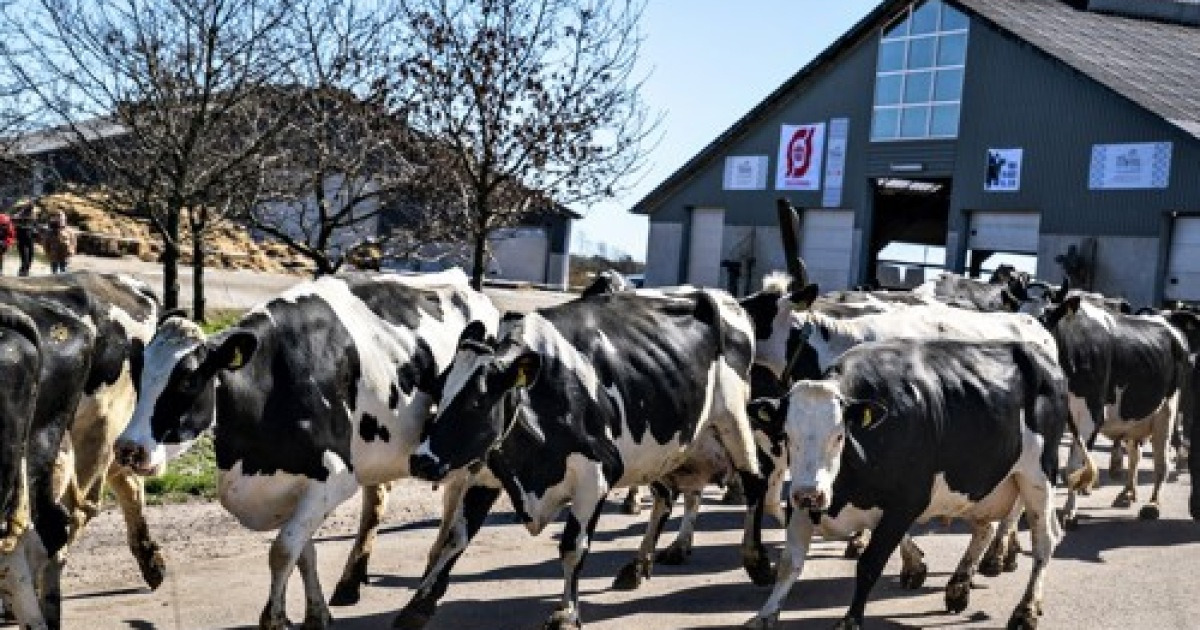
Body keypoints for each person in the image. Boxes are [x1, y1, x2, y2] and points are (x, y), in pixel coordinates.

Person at [42, 210, 75, 274]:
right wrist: (47, 253)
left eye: (62, 218)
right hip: (54, 256)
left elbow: (73, 242)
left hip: (65, 255)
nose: (60, 220)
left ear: (65, 219)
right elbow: (45, 243)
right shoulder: (50, 232)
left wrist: (72, 251)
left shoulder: (69, 231)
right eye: (58, 218)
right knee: (54, 273)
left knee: (64, 272)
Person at [12, 203, 37, 276]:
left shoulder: (32, 214)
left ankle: (25, 271)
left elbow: (34, 224)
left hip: (27, 237)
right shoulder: (20, 214)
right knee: (26, 256)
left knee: (29, 255)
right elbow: (14, 220)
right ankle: (23, 271)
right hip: (23, 236)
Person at [0, 211, 12, 275]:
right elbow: (11, 234)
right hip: (4, 241)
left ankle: (0, 270)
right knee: (1, 255)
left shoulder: (6, 220)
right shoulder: (7, 220)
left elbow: (10, 234)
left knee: (1, 255)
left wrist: (7, 242)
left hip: (4, 241)